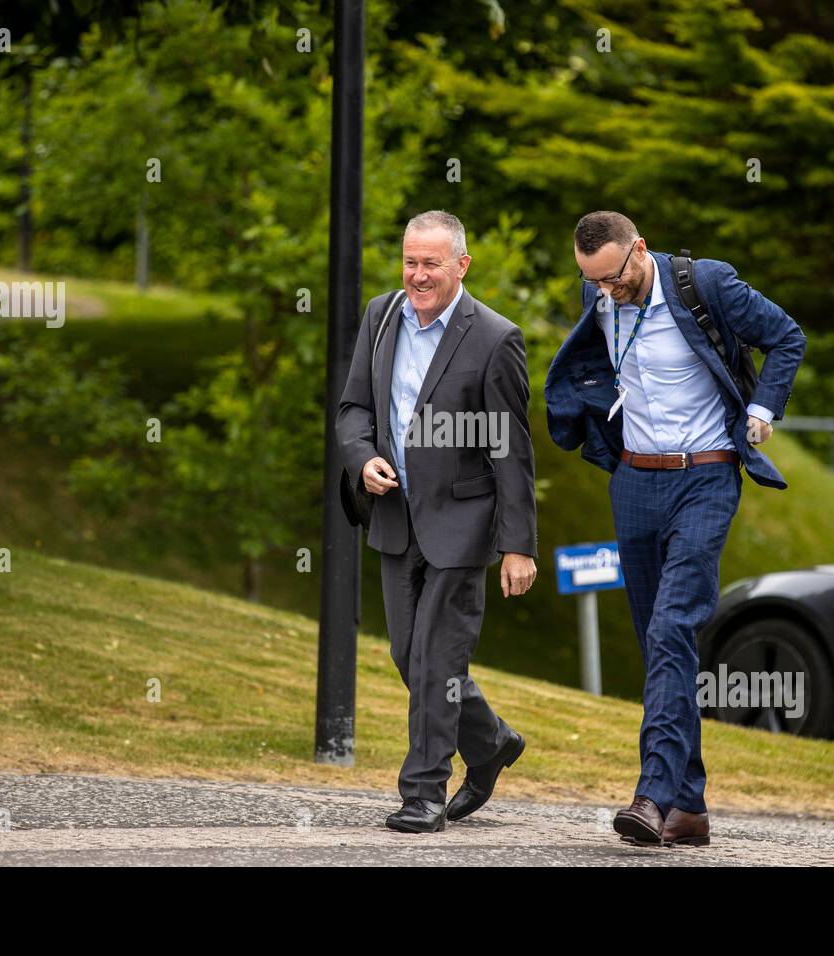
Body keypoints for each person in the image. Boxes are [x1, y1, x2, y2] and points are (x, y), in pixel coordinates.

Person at [544, 211, 806, 847]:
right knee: (660, 643)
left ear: (639, 250)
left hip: (706, 477)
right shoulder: (597, 293)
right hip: (634, 480)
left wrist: (764, 407)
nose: (606, 292)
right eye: (593, 283)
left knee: (671, 627)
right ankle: (690, 808)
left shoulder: (705, 285)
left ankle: (653, 796)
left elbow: (787, 336)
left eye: (614, 278)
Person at [336, 210, 538, 833]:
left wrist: (518, 546)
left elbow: (512, 449)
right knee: (407, 655)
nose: (418, 275)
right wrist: (364, 457)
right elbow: (352, 409)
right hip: (395, 518)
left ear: (461, 265)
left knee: (435, 660)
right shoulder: (380, 316)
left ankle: (423, 791)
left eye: (431, 263)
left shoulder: (496, 338)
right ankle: (491, 741)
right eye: (410, 262)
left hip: (462, 525)